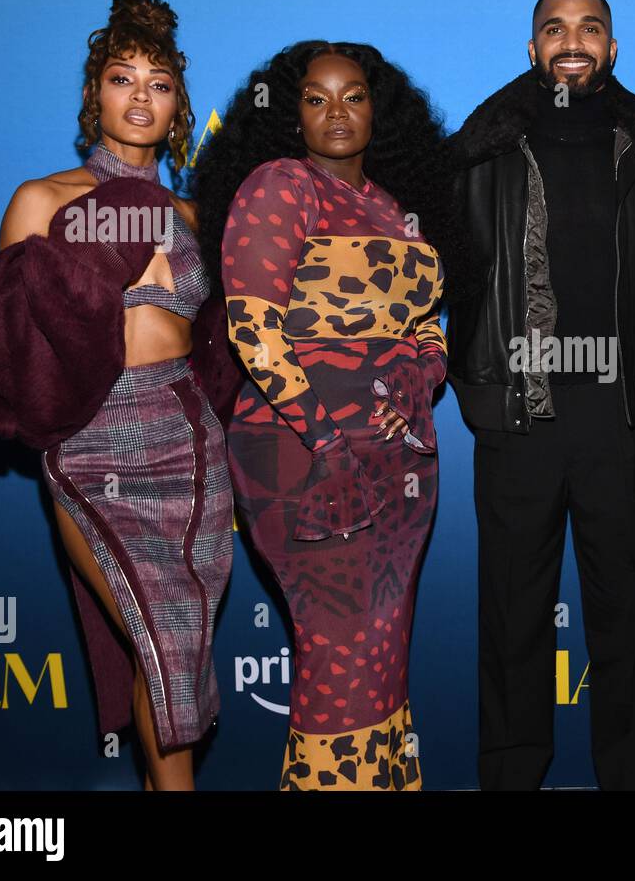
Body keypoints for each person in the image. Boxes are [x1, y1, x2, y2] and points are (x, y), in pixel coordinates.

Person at [0, 0, 238, 790]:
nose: (140, 95)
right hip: (96, 445)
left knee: (168, 655)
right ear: (94, 94)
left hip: (193, 447)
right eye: (122, 77)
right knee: (168, 638)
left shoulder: (193, 212)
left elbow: (225, 338)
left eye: (159, 82)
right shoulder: (43, 200)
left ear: (179, 104)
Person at [446, 0, 635, 790]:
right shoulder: (482, 146)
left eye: (590, 28)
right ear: (532, 47)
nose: (573, 40)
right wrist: (478, 388)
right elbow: (445, 276)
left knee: (626, 628)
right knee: (511, 624)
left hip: (622, 423)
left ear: (612, 47)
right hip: (517, 423)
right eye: (555, 28)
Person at [193, 40, 468, 790]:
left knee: (381, 654)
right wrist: (327, 440)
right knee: (338, 656)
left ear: (380, 108)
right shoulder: (280, 184)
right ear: (294, 113)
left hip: (401, 461)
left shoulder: (393, 204)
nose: (337, 112)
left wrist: (422, 373)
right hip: (303, 454)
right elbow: (254, 327)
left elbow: (427, 320)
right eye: (317, 97)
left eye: (353, 95)